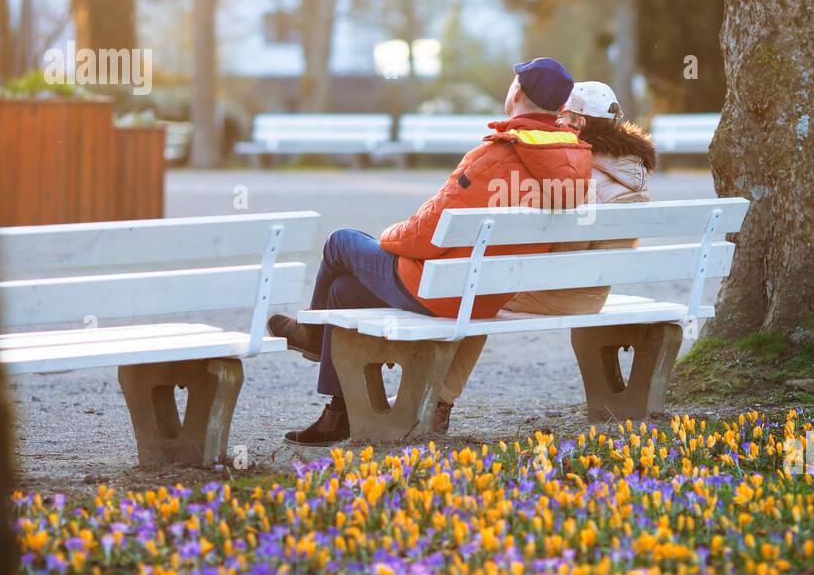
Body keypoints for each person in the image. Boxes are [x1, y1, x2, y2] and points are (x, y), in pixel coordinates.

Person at [268, 58, 592, 446]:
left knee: (341, 242)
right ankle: (338, 414)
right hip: (488, 296)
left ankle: (310, 334)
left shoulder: (494, 156)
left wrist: (386, 237)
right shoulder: (573, 164)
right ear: (558, 108)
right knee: (342, 294)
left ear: (517, 93)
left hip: (437, 292)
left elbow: (425, 236)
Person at [432, 80, 657, 433]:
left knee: (475, 291)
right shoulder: (633, 173)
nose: (556, 122)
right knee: (481, 284)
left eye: (562, 116)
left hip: (553, 293)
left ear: (578, 123)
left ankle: (438, 402)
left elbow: (555, 249)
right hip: (594, 297)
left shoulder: (574, 174)